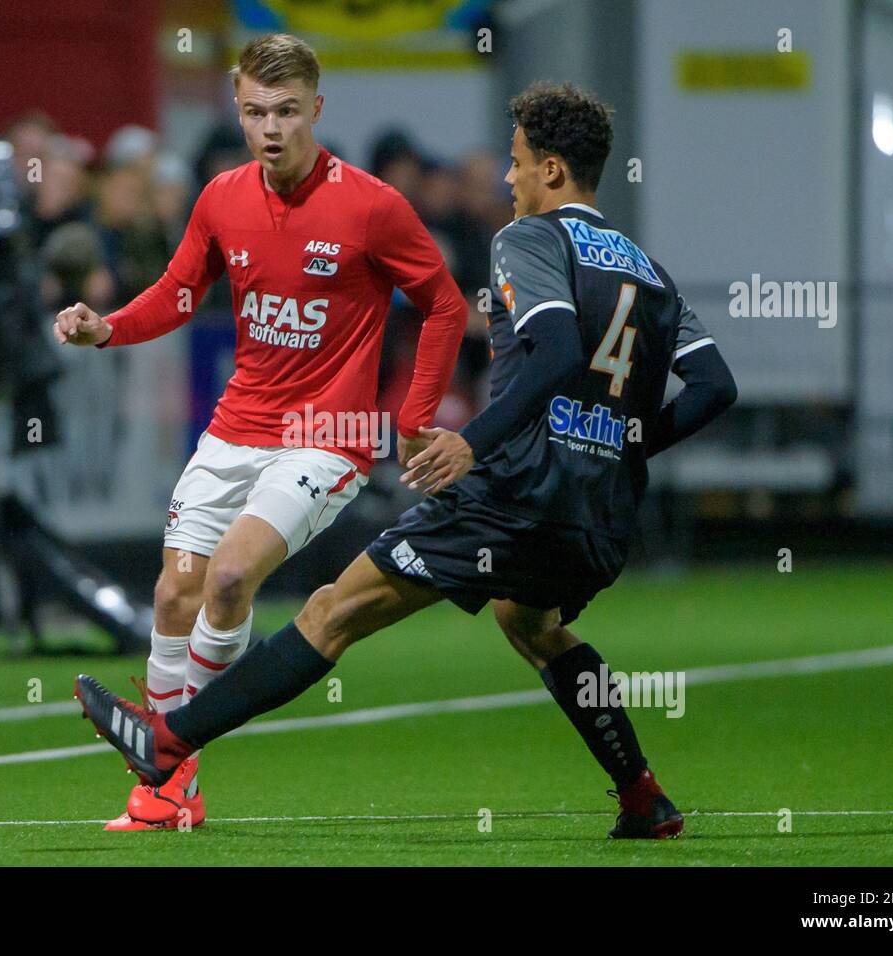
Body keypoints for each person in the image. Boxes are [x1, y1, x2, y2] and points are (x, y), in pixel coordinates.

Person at [74, 81, 738, 840]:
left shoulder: (529, 239)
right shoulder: (649, 271)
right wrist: (628, 443)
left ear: (553, 171)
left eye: (517, 164)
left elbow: (555, 351)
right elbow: (717, 385)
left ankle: (166, 744)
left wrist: (472, 443)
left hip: (513, 492)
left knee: (332, 612)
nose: (507, 180)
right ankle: (642, 795)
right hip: (600, 515)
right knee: (532, 622)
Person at [54, 33, 469, 831]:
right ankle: (170, 781)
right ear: (238, 114)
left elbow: (446, 304)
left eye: (286, 111)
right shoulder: (221, 197)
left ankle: (168, 753)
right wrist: (107, 328)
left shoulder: (373, 206)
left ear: (316, 109)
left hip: (328, 436)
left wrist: (413, 418)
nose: (271, 127)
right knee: (174, 592)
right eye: (254, 112)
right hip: (235, 427)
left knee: (230, 577)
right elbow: (180, 291)